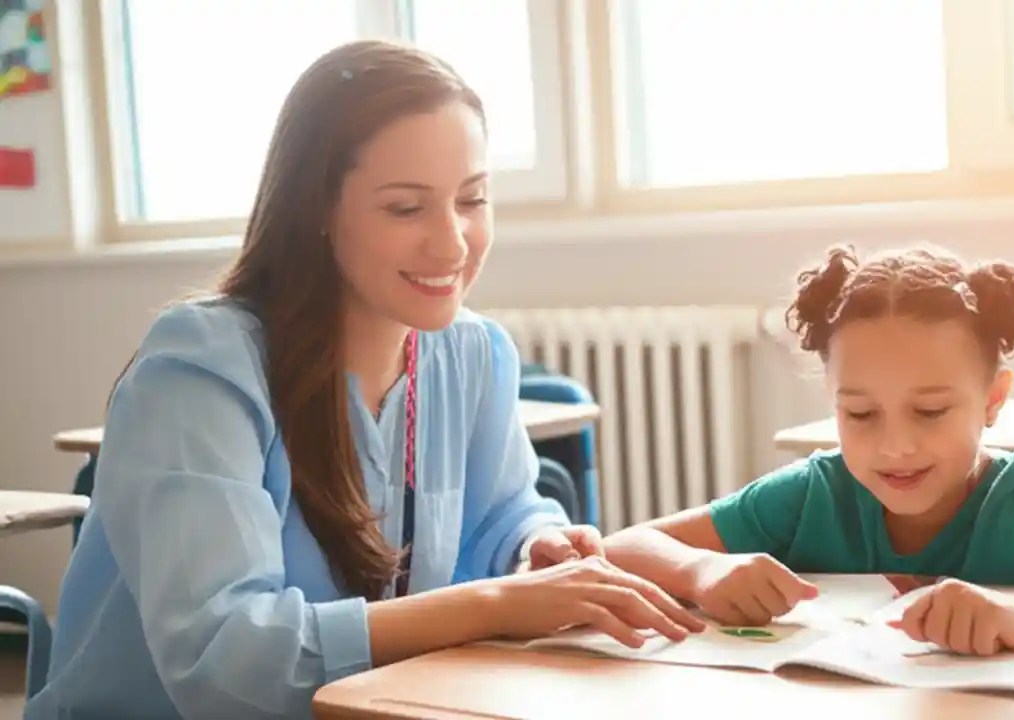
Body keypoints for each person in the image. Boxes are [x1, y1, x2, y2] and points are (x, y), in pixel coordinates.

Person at [26, 40, 701, 720]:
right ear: (316, 208)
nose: (452, 243)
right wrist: (498, 604)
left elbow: (504, 515)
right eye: (406, 209)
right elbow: (224, 659)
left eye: (472, 200)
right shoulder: (200, 369)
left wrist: (535, 550)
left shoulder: (474, 353)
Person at [604, 244, 1014, 657]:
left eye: (931, 410)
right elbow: (624, 547)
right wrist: (702, 572)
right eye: (858, 413)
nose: (895, 444)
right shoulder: (816, 492)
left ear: (993, 400)